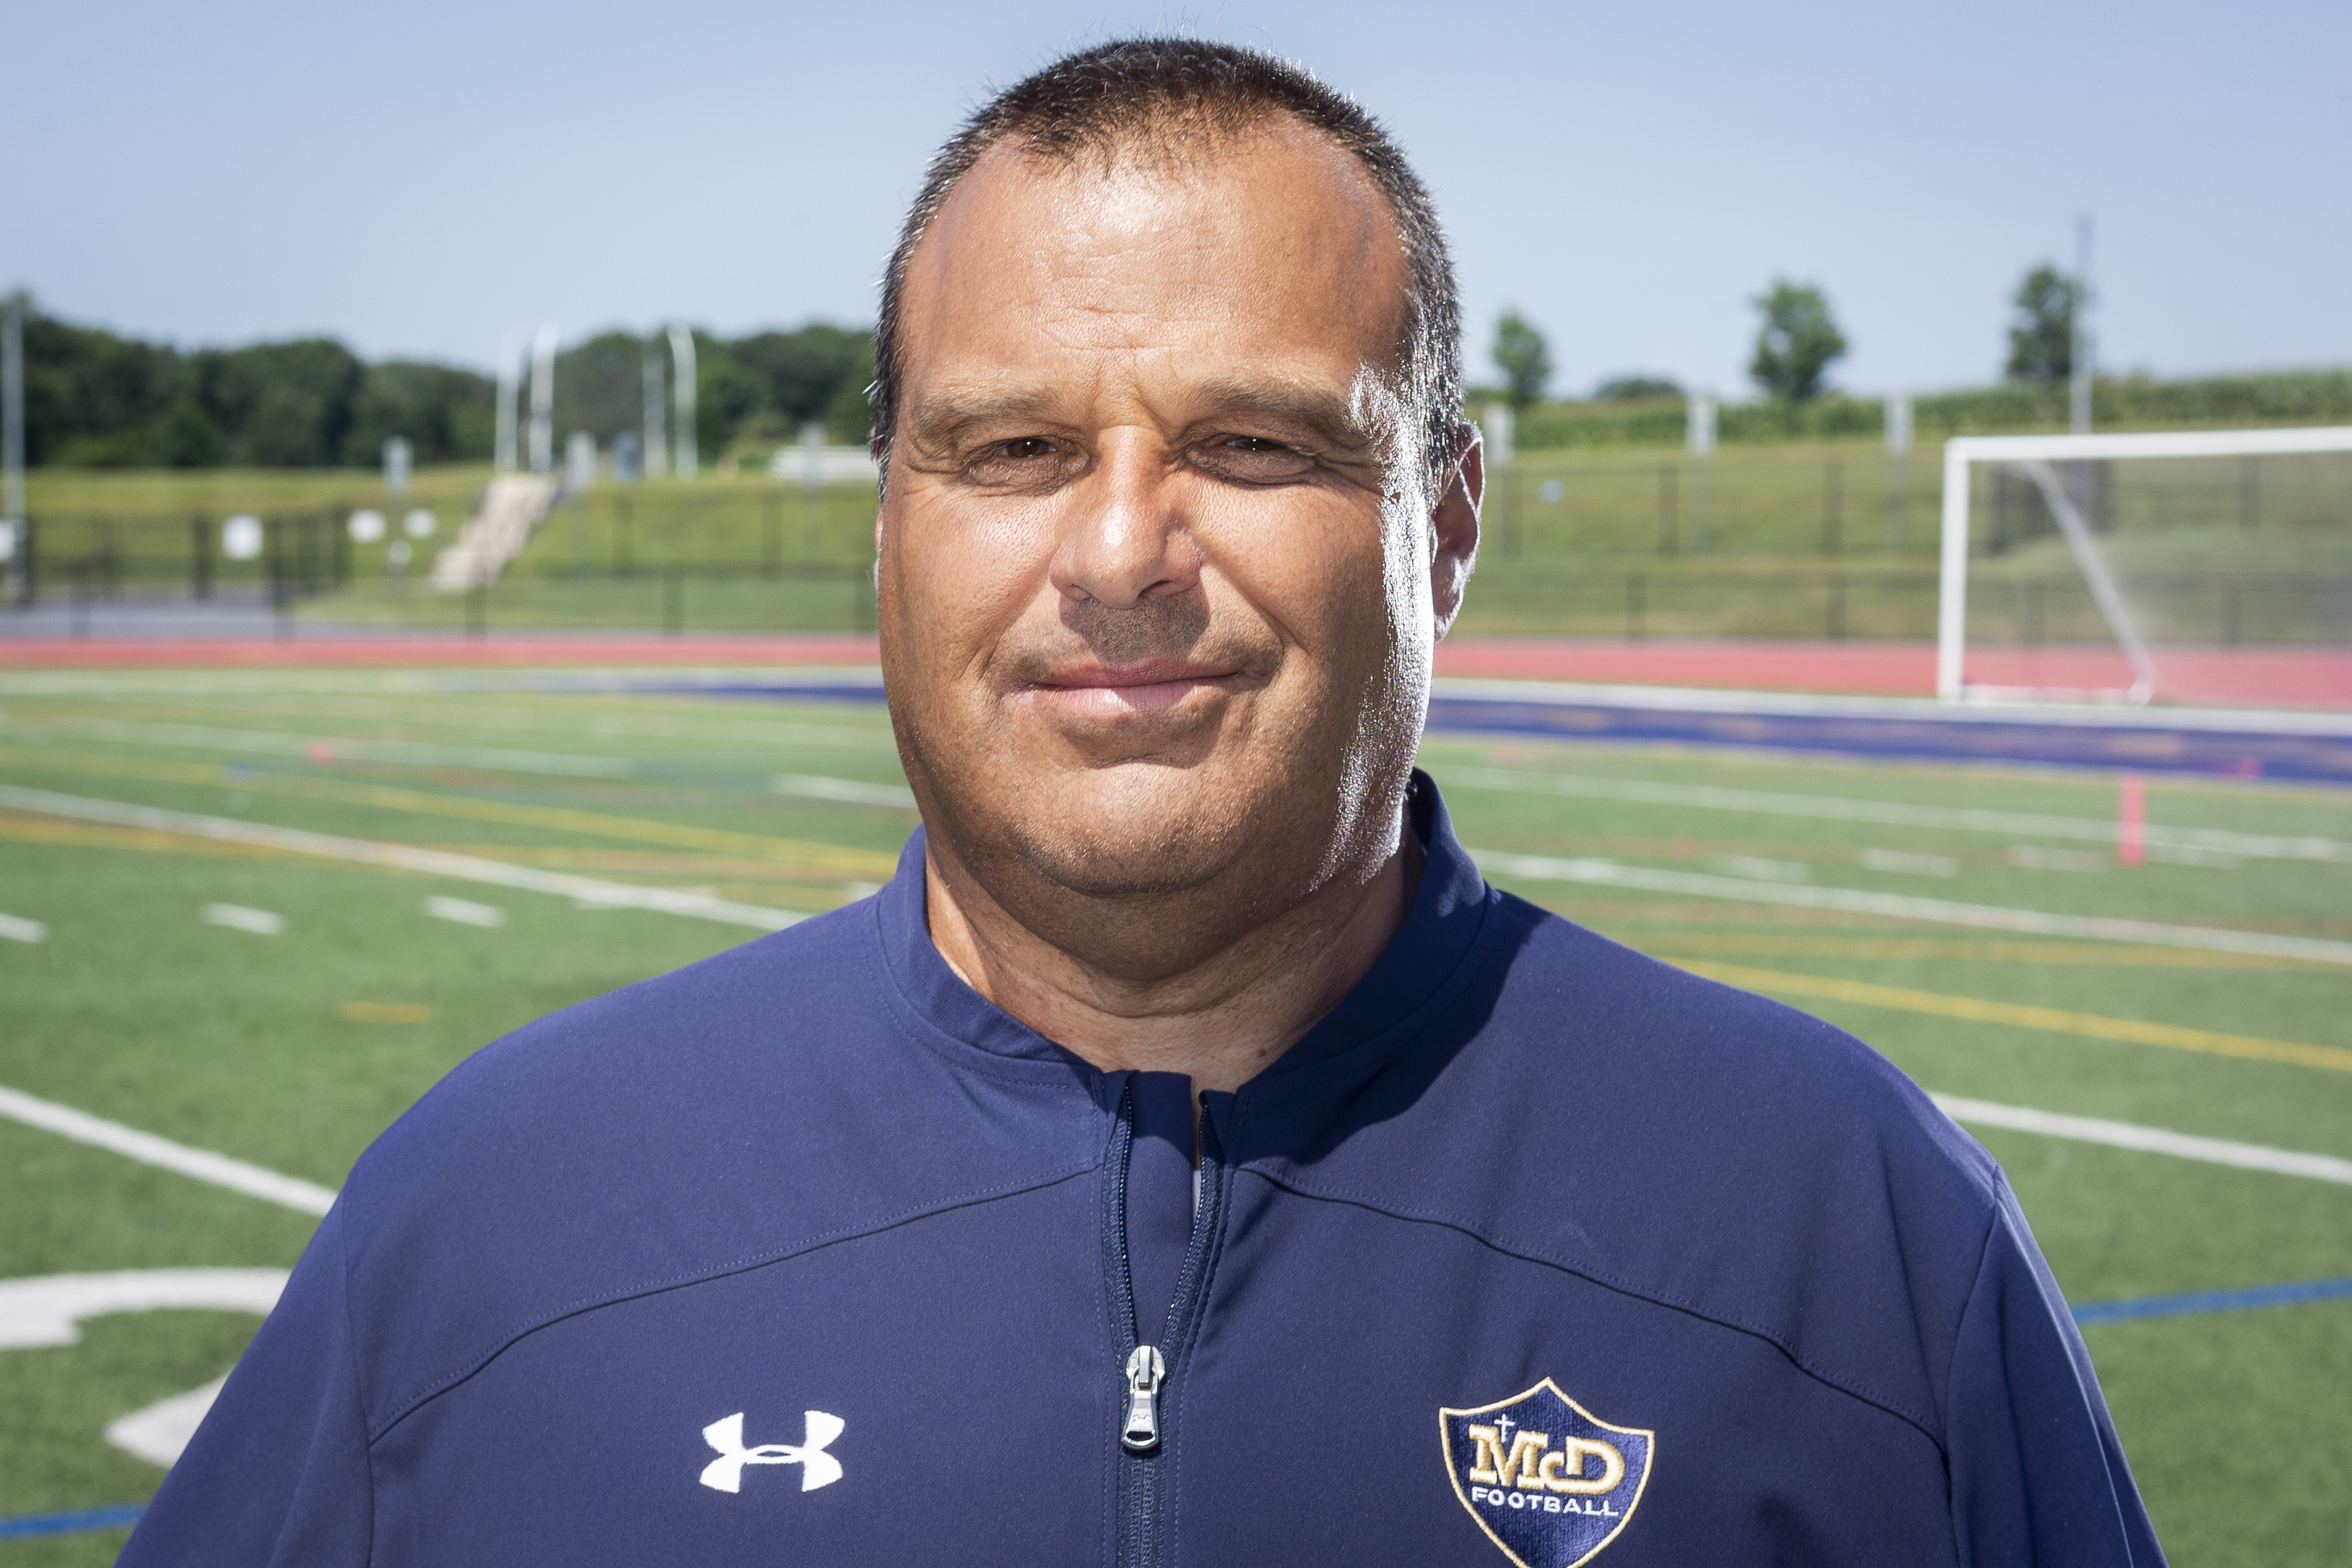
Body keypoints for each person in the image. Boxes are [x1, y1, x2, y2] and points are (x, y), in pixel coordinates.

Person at [124, 39, 2162, 1567]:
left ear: (1439, 527)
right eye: (1008, 447)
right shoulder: (494, 1215)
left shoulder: (1851, 1225)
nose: (1117, 550)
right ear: (888, 528)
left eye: (1255, 442)